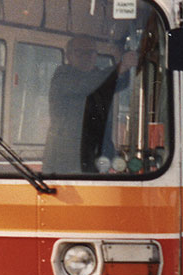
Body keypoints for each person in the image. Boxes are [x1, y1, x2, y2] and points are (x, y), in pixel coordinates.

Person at [43, 36, 136, 174]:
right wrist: (122, 65)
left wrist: (126, 63)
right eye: (80, 52)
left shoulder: (98, 75)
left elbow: (120, 82)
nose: (87, 57)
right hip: (66, 161)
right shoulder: (63, 76)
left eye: (91, 52)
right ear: (69, 55)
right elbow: (88, 84)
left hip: (96, 155)